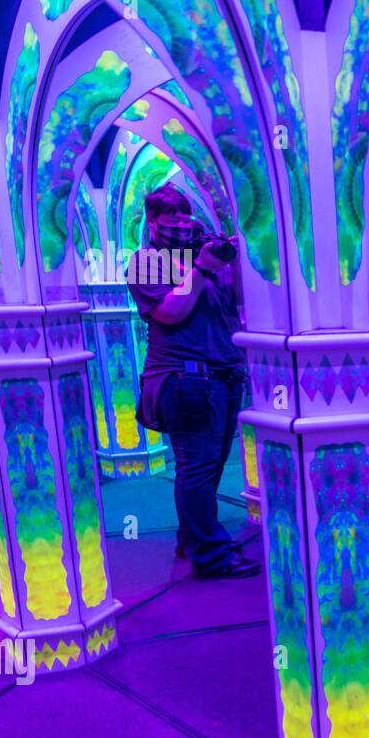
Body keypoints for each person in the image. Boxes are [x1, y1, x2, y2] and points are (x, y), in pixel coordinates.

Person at [126, 185, 259, 579]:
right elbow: (170, 311)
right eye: (173, 216)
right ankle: (211, 554)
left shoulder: (200, 257)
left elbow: (239, 300)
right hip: (185, 378)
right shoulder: (146, 260)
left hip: (222, 373)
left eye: (186, 214)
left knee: (210, 463)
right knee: (196, 466)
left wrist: (232, 261)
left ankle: (194, 538)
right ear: (153, 221)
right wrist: (201, 269)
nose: (183, 222)